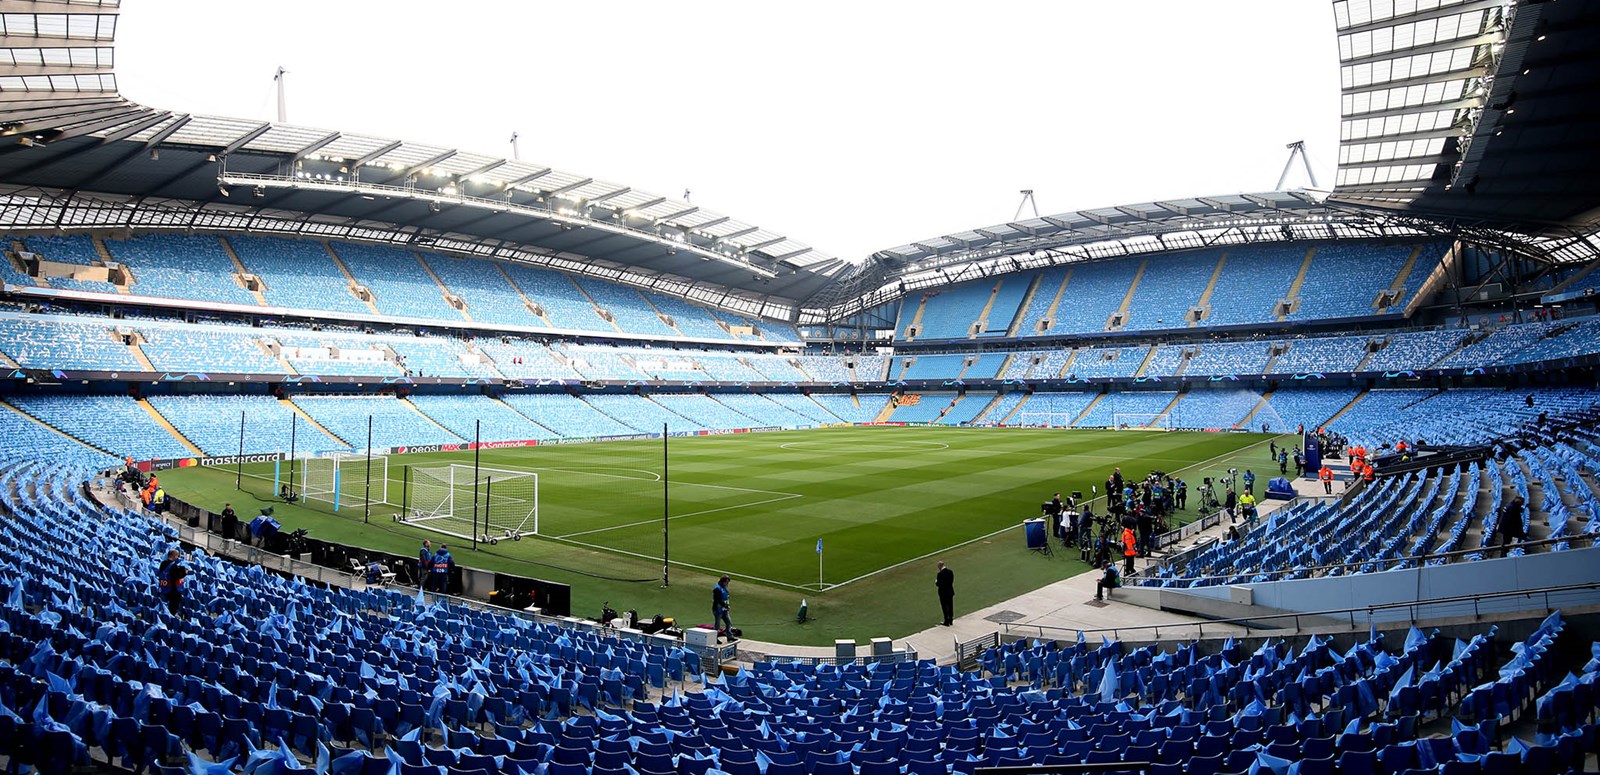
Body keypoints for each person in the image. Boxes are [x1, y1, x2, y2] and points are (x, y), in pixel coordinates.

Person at [156, 548, 186, 615]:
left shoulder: (163, 563)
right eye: (177, 556)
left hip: (162, 587)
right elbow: (176, 576)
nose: (177, 558)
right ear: (174, 556)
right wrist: (184, 572)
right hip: (171, 590)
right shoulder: (173, 566)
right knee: (173, 605)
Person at [935, 561, 955, 626]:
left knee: (944, 607)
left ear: (940, 566)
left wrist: (936, 582)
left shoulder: (940, 574)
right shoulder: (950, 571)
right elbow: (951, 581)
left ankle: (946, 621)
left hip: (943, 593)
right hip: (950, 591)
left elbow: (939, 584)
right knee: (950, 606)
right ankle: (951, 620)